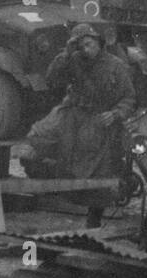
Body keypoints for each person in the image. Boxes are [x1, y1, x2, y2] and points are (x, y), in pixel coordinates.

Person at [14, 23, 137, 212]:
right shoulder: (73, 60)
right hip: (71, 111)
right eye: (82, 46)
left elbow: (129, 98)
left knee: (89, 160)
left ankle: (85, 197)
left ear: (98, 42)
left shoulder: (116, 66)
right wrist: (66, 54)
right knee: (34, 141)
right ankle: (52, 186)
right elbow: (51, 79)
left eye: (89, 44)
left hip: (99, 118)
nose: (86, 49)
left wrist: (115, 113)